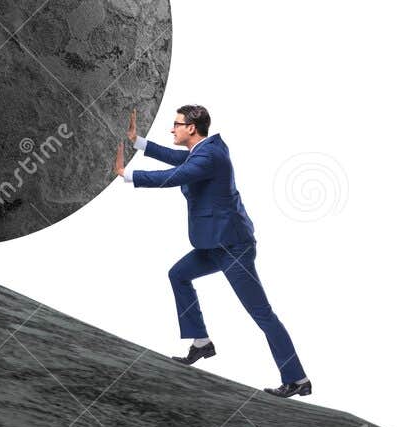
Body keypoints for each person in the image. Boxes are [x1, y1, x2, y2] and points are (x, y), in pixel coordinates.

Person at [115, 104, 311, 398]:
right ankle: (201, 342)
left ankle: (297, 379)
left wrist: (127, 174)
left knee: (262, 315)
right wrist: (138, 142)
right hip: (213, 243)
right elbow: (179, 158)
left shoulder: (210, 156)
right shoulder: (204, 151)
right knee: (179, 275)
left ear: (191, 128)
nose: (172, 129)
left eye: (176, 124)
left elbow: (175, 176)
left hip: (233, 249)